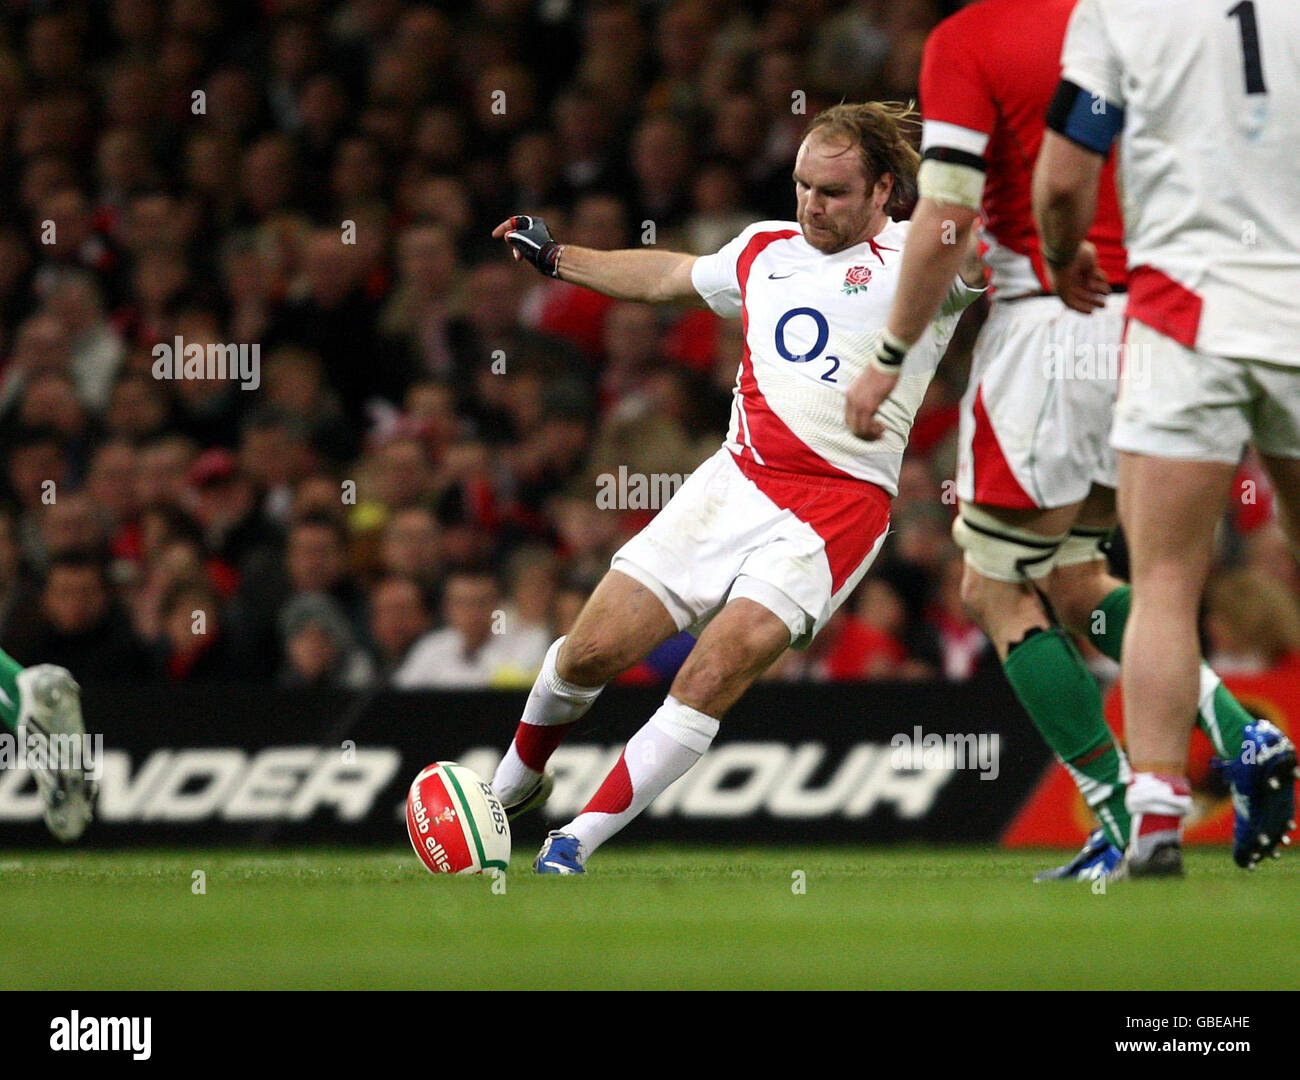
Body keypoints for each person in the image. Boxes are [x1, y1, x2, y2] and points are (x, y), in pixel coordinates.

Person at [841, 0, 1292, 880]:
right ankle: (1246, 739)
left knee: (990, 585)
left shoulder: (974, 38)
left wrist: (892, 354)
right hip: (1172, 322)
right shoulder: (1154, 21)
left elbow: (947, 215)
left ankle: (1123, 811)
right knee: (1084, 575)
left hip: (1055, 326)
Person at [487, 102, 985, 873]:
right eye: (802, 186)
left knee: (714, 670)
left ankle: (575, 840)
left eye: (833, 192)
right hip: (734, 482)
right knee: (588, 652)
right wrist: (559, 258)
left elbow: (989, 253)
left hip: (836, 510)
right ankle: (512, 786)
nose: (811, 205)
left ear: (885, 190)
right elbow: (670, 277)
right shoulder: (765, 250)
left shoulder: (925, 263)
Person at [1032, 0, 1300, 874]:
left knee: (1168, 581)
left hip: (1187, 318)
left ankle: (1154, 815)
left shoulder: (1118, 9)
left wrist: (1064, 248)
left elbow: (1066, 177)